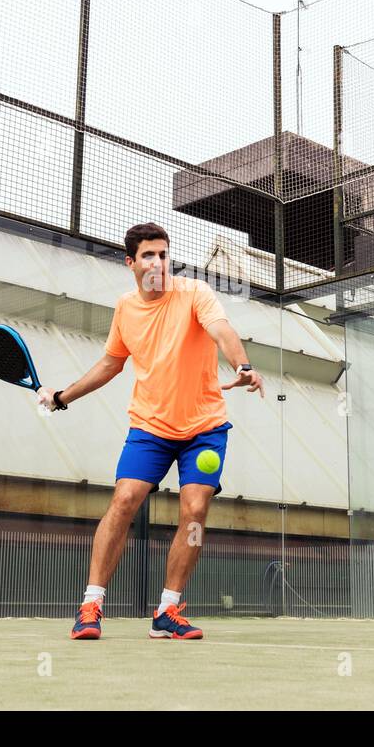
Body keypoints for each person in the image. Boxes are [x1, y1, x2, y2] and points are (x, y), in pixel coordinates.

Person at [37, 222, 264, 640]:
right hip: (150, 427)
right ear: (131, 262)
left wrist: (243, 365)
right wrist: (63, 396)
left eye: (163, 254)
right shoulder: (125, 308)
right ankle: (91, 604)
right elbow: (110, 364)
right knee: (124, 499)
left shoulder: (195, 293)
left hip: (205, 427)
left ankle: (167, 611)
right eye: (148, 255)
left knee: (194, 510)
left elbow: (222, 331)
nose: (158, 262)